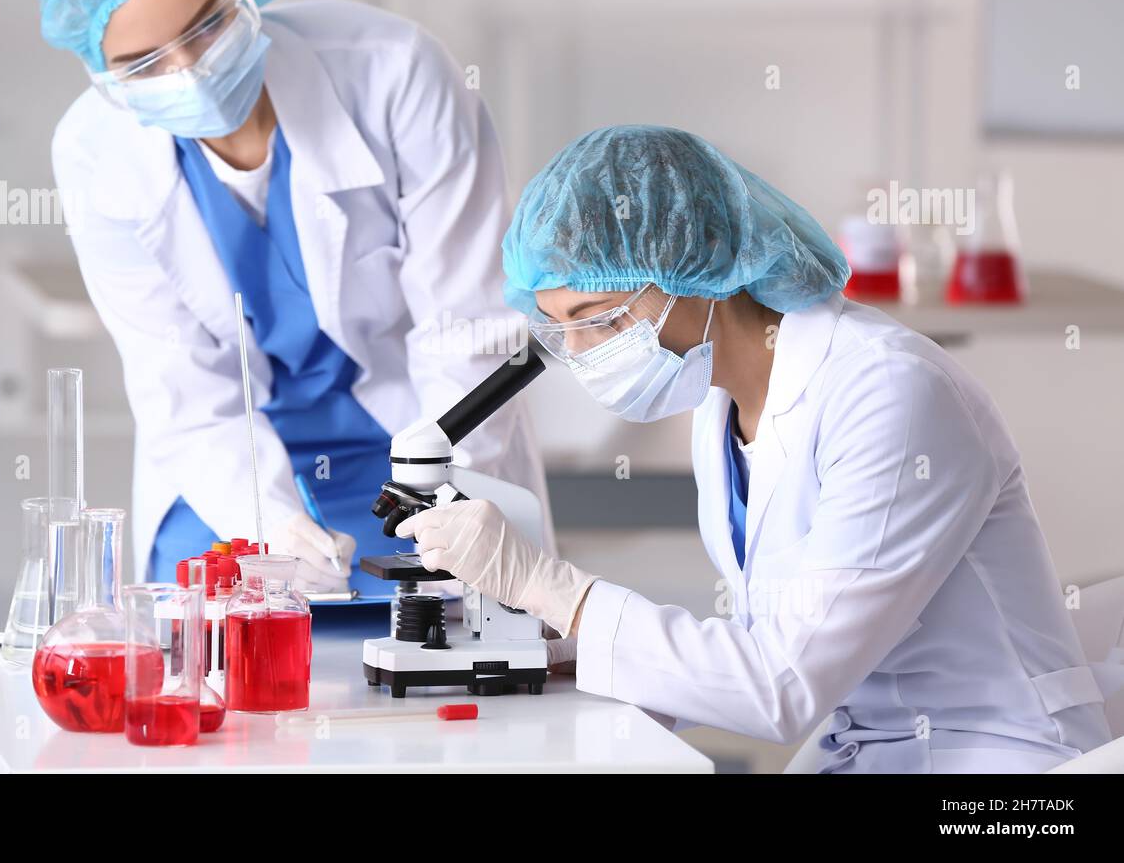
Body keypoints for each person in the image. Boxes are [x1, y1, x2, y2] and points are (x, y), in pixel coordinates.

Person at [397, 125, 1114, 772]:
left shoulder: (892, 391)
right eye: (562, 331)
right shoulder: (721, 406)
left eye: (600, 318)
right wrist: (571, 656)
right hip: (867, 749)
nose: (581, 355)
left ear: (693, 263)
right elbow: (768, 641)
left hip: (1004, 774)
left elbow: (782, 687)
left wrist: (555, 591)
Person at [36, 0, 548, 593]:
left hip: (417, 438)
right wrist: (267, 522)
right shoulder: (96, 153)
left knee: (444, 632)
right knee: (216, 647)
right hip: (223, 460)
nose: (189, 72)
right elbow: (182, 388)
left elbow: (467, 330)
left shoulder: (396, 74)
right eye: (144, 63)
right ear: (99, 71)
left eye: (207, 24)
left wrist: (440, 487)